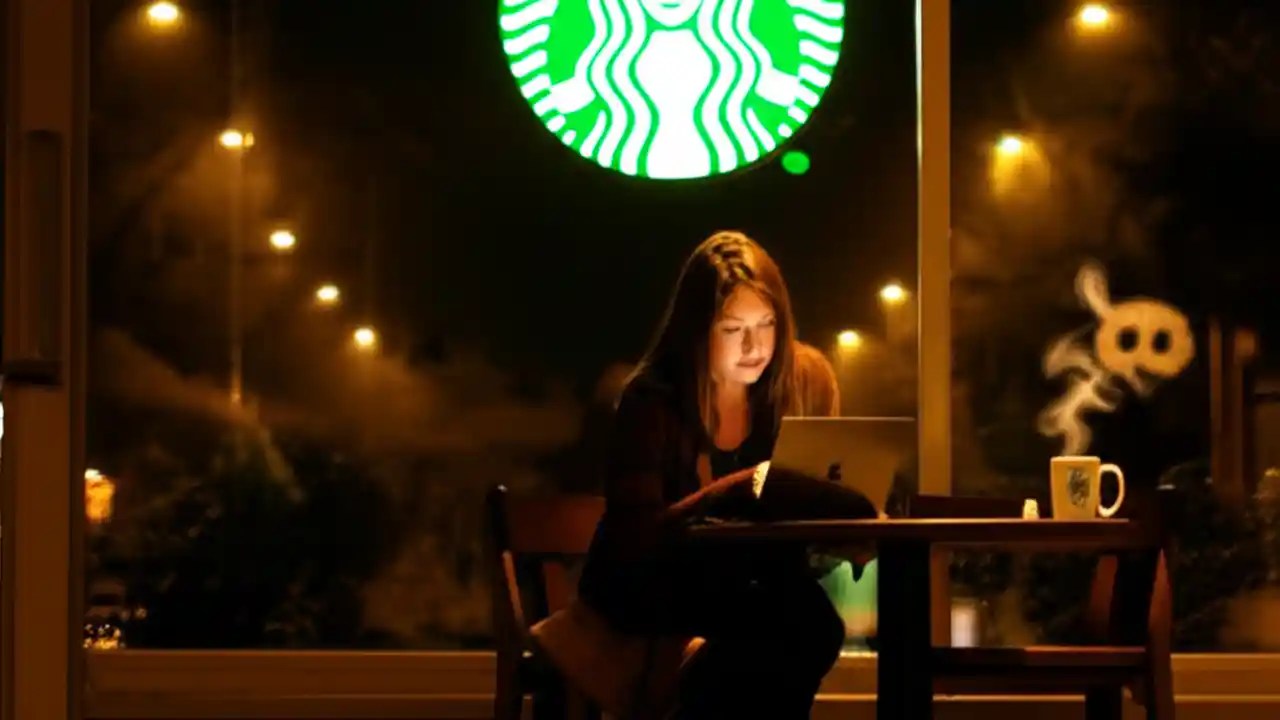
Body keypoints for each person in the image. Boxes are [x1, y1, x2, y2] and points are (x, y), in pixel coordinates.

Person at [578, 231, 846, 719]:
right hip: (647, 580)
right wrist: (736, 493)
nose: (753, 346)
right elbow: (638, 536)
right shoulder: (652, 399)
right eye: (732, 329)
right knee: (787, 624)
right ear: (697, 331)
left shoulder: (776, 397)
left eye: (766, 325)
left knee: (812, 620)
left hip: (742, 580)